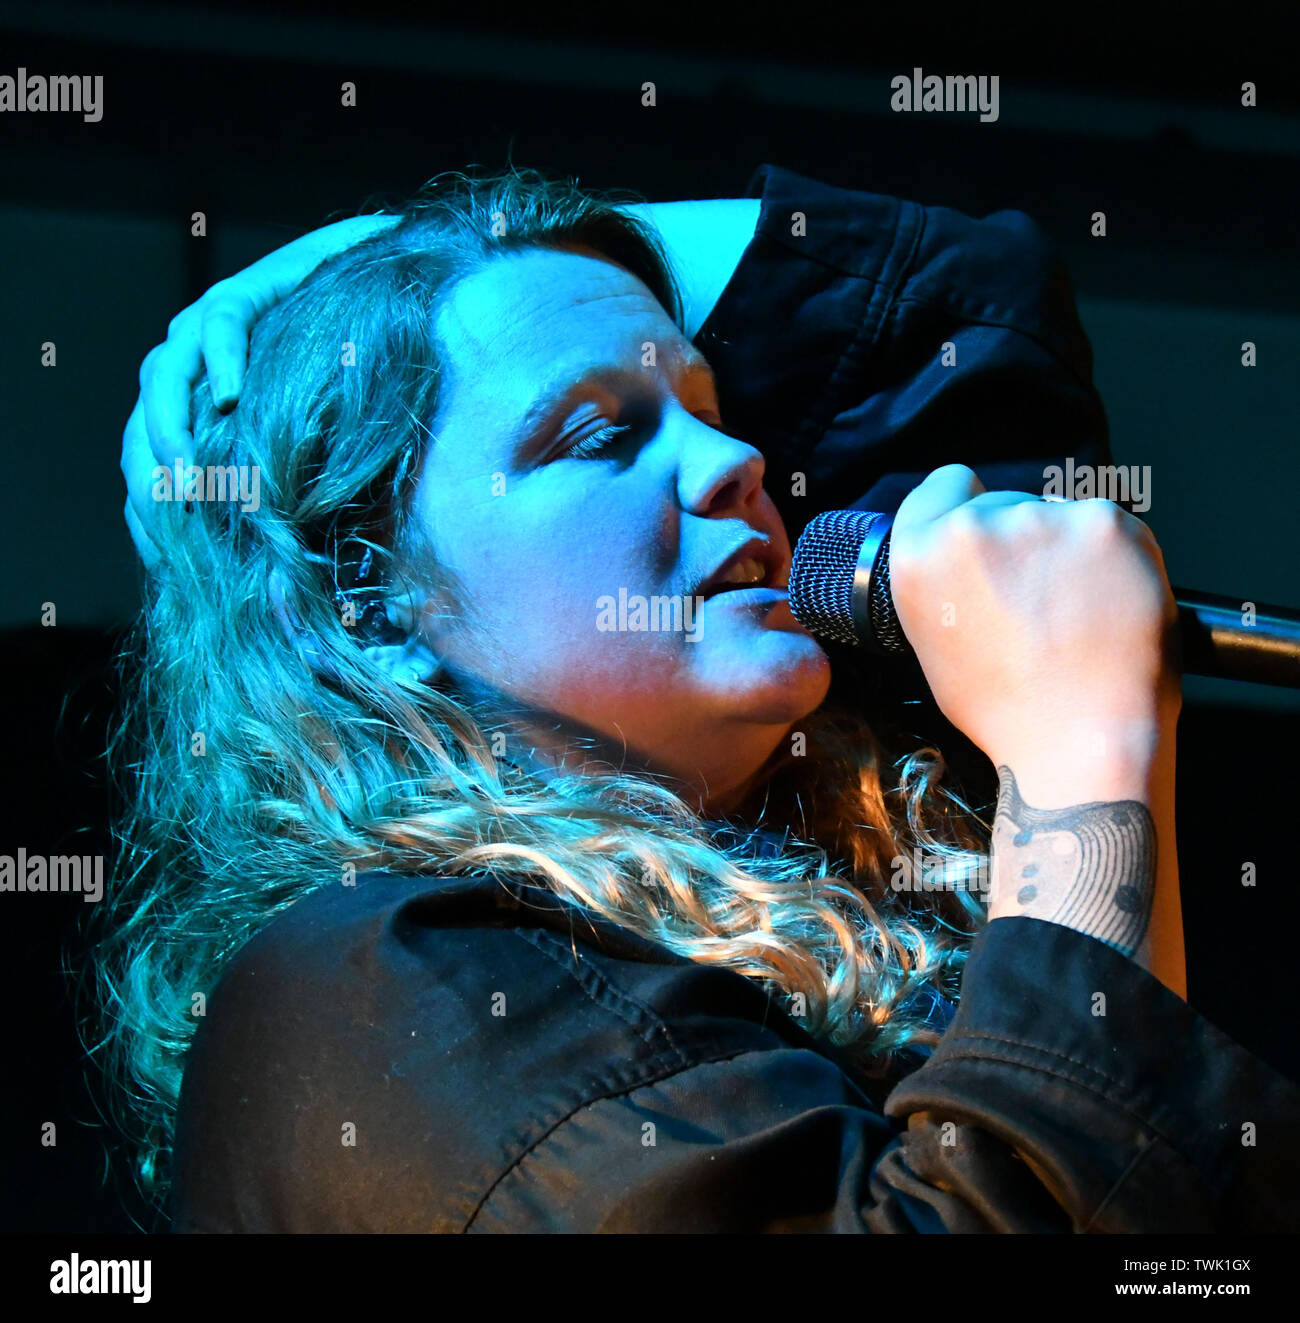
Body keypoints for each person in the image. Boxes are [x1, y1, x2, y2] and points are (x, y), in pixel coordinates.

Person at [94, 162, 1300, 1233]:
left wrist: (331, 258)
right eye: (597, 437)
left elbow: (958, 304)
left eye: (715, 414)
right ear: (370, 595)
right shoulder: (369, 984)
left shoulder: (816, 878)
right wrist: (1080, 741)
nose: (736, 465)